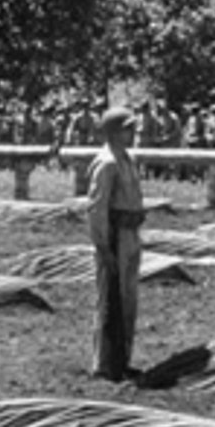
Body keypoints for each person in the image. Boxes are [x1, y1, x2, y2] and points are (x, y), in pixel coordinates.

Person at [86, 107, 147, 380]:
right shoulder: (107, 163)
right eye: (127, 129)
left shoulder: (127, 160)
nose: (132, 134)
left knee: (128, 299)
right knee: (110, 298)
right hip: (115, 235)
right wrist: (102, 246)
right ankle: (105, 362)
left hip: (131, 233)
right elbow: (97, 209)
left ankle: (122, 357)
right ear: (112, 132)